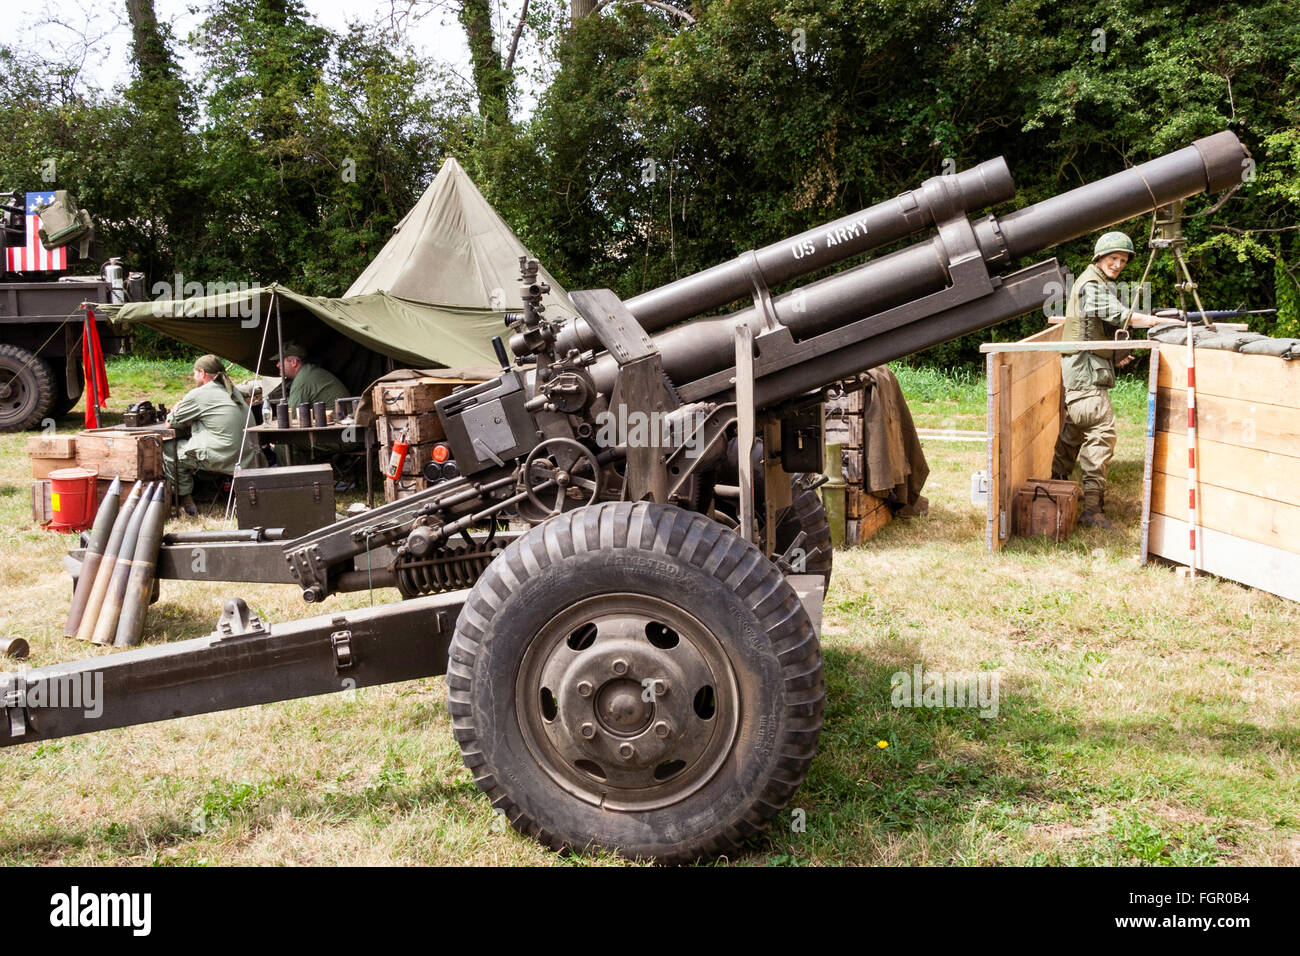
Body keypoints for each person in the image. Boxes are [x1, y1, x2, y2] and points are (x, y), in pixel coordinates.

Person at [1051, 231, 1165, 529]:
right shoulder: (1092, 285)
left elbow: (1093, 327)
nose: (1118, 264)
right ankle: (1092, 509)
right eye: (1113, 258)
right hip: (1084, 369)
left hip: (1086, 367)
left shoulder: (1098, 281)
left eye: (1123, 260)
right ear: (1100, 257)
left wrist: (1113, 354)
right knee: (1102, 430)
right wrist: (1153, 320)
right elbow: (1119, 315)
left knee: (1076, 427)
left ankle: (1055, 486)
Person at [164, 354, 259, 516]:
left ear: (202, 373)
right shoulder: (233, 391)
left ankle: (185, 499)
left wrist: (175, 408)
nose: (193, 376)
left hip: (223, 456)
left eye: (194, 373)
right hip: (247, 456)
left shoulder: (199, 394)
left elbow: (169, 424)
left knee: (168, 448)